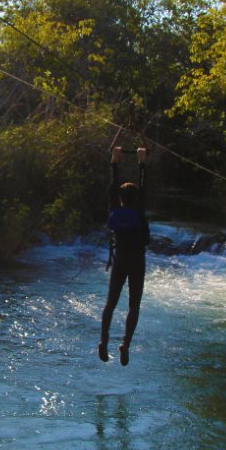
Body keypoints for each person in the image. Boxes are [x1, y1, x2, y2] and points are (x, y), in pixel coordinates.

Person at [99, 146, 149, 366]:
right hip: (137, 260)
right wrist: (142, 161)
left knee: (111, 302)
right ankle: (125, 344)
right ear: (137, 197)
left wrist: (114, 161)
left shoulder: (113, 209)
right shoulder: (139, 210)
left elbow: (112, 187)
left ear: (119, 197)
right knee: (134, 305)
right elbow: (144, 186)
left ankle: (103, 341)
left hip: (119, 259)